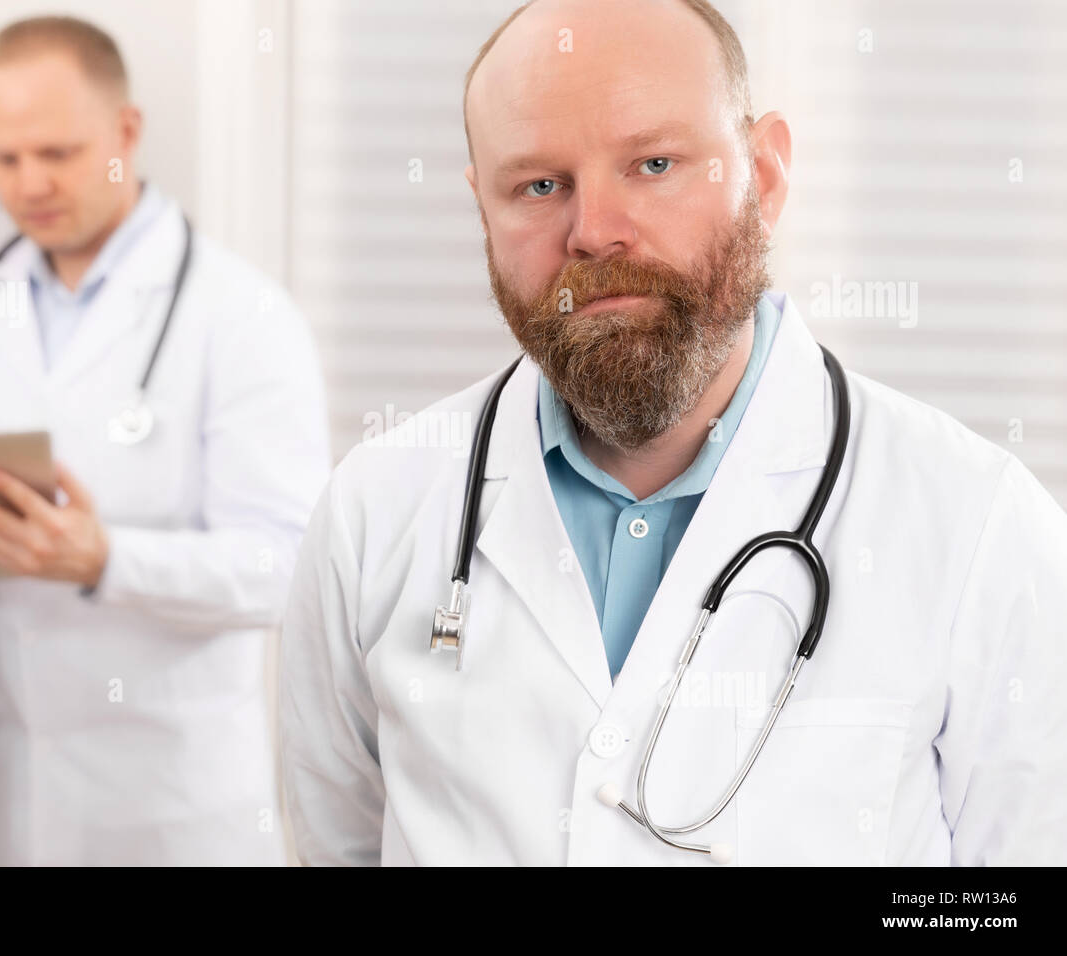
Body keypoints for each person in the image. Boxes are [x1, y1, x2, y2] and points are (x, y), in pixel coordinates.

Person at [278, 0, 1067, 866]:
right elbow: (334, 846)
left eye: (654, 163)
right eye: (539, 185)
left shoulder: (978, 524)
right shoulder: (374, 508)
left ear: (762, 175)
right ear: (483, 210)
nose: (594, 232)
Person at [0, 17, 330, 865]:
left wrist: (103, 559)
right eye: (6, 157)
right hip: (26, 801)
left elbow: (289, 570)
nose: (29, 183)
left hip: (182, 815)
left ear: (126, 132)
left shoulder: (242, 316)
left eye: (58, 153)